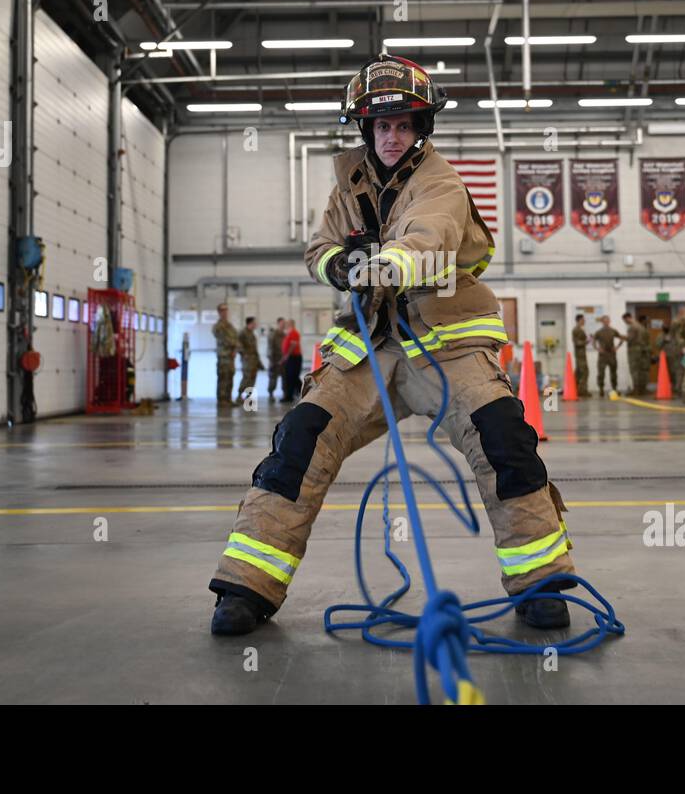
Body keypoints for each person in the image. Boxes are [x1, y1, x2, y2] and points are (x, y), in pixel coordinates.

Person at [209, 54, 577, 637]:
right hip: (367, 349)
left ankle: (541, 581)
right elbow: (319, 249)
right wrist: (339, 267)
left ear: (420, 129)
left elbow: (426, 238)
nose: (391, 135)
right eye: (381, 125)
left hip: (446, 346)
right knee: (300, 439)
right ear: (366, 129)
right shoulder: (347, 186)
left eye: (404, 124)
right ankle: (246, 584)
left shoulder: (442, 183)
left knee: (503, 435)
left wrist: (383, 265)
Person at [213, 304, 238, 409]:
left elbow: (236, 339)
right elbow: (225, 339)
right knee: (223, 378)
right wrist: (235, 345)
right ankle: (222, 400)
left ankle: (228, 399)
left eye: (226, 310)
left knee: (230, 378)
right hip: (223, 357)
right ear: (219, 312)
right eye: (222, 310)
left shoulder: (230, 326)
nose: (225, 312)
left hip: (231, 357)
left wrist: (235, 348)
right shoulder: (218, 326)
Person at [621, 313, 650, 395]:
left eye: (624, 320)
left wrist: (619, 336)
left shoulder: (632, 327)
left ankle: (636, 390)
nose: (625, 322)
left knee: (634, 370)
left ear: (628, 318)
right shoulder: (641, 326)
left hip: (634, 351)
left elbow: (629, 338)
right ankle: (642, 389)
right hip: (642, 351)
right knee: (641, 370)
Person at [593, 315, 622, 397]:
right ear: (602, 322)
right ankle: (601, 389)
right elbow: (593, 341)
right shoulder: (598, 332)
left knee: (613, 373)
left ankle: (614, 388)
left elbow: (621, 338)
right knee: (601, 373)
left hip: (612, 354)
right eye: (604, 321)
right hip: (602, 355)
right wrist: (597, 349)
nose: (606, 322)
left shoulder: (613, 331)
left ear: (609, 321)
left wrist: (617, 347)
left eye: (607, 321)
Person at [236, 316, 262, 402]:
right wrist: (244, 354)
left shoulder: (252, 334)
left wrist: (259, 362)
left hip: (254, 360)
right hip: (247, 361)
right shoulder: (242, 333)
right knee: (246, 378)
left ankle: (248, 397)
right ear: (250, 323)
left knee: (252, 379)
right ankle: (239, 396)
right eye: (254, 323)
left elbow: (254, 349)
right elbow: (238, 344)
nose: (255, 325)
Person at [664, 306, 685, 393]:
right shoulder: (676, 322)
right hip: (678, 350)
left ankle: (681, 387)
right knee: (679, 369)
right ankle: (679, 388)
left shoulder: (682, 321)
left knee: (683, 369)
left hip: (684, 349)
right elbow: (673, 335)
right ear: (681, 313)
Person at [279, 320, 302, 403]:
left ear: (291, 324)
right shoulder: (289, 333)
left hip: (294, 358)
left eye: (287, 324)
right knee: (291, 377)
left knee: (292, 377)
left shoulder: (294, 333)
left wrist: (286, 356)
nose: (285, 325)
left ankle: (289, 396)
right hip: (291, 357)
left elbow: (293, 345)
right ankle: (297, 393)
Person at [571, 314, 591, 398]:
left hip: (581, 354)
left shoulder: (579, 329)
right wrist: (588, 341)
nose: (584, 321)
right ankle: (582, 391)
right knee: (584, 372)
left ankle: (575, 389)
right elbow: (577, 343)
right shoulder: (577, 330)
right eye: (583, 320)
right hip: (580, 354)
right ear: (578, 320)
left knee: (579, 373)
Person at [267, 318, 286, 401]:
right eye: (282, 323)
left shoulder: (284, 335)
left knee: (284, 377)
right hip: (274, 359)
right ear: (278, 323)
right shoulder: (273, 334)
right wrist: (272, 360)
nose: (283, 325)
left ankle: (285, 393)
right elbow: (270, 348)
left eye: (284, 323)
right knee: (273, 378)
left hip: (283, 359)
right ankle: (271, 394)